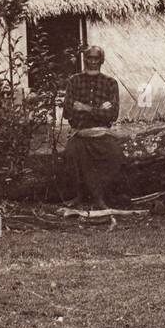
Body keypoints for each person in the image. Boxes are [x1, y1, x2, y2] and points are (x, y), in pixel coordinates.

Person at [62, 46, 123, 208]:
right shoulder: (74, 81)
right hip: (80, 132)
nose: (93, 62)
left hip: (102, 133)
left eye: (97, 59)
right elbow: (68, 112)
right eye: (90, 58)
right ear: (85, 59)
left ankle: (100, 197)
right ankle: (80, 196)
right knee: (72, 154)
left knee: (114, 154)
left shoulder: (110, 83)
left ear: (101, 61)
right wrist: (99, 110)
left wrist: (84, 108)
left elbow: (113, 115)